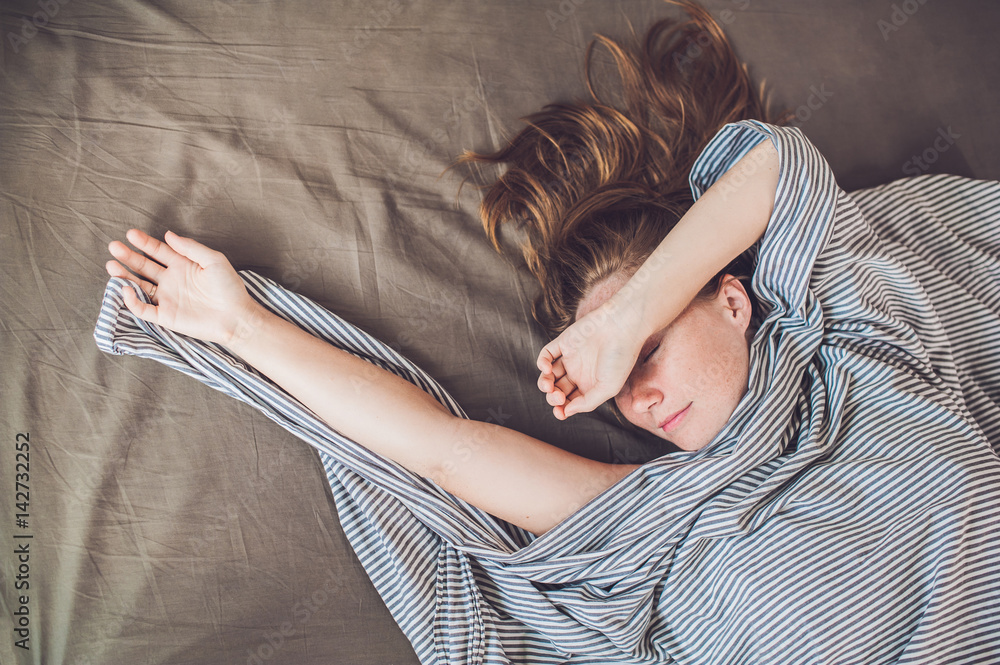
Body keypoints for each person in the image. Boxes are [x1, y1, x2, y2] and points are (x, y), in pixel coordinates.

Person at [101, 1, 1000, 659]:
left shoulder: (851, 336)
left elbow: (775, 165)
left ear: (732, 299)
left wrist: (622, 325)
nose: (637, 395)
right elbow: (442, 451)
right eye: (620, 383)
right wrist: (239, 324)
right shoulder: (655, 523)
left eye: (644, 354)